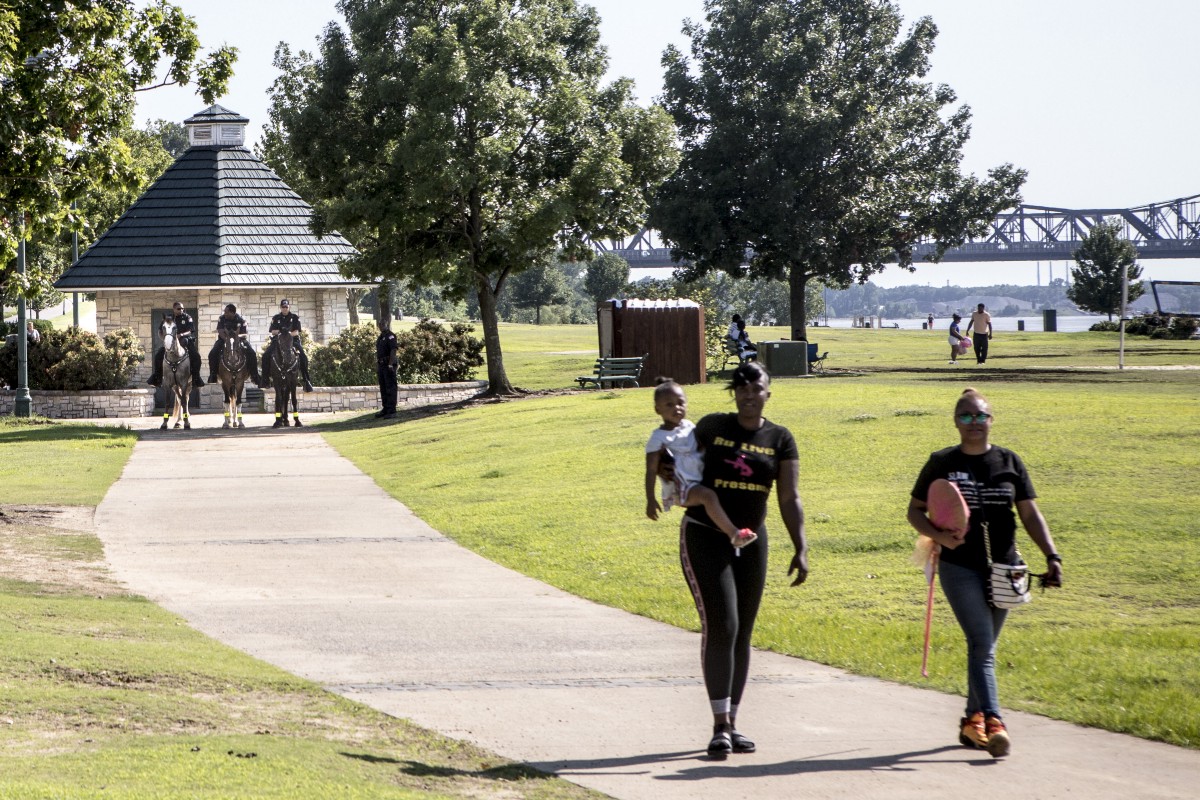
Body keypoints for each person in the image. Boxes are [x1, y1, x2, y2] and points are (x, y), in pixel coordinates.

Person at [906, 388, 1063, 758]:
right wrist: (939, 536)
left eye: (980, 416)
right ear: (955, 421)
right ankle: (994, 721)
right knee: (981, 643)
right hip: (960, 566)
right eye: (965, 416)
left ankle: (970, 720)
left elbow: (1029, 514)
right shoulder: (941, 461)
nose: (973, 423)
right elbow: (914, 511)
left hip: (1006, 567)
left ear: (991, 420)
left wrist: (1052, 555)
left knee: (984, 648)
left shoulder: (1009, 461)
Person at [674, 362, 808, 758]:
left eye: (758, 388)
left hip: (752, 541)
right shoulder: (713, 427)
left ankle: (733, 719)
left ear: (769, 392)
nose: (750, 395)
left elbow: (789, 497)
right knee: (723, 626)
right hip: (705, 535)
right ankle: (719, 725)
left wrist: (800, 546)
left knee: (744, 632)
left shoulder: (781, 439)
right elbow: (678, 464)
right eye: (742, 389)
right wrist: (672, 486)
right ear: (734, 393)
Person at [645, 379, 757, 548]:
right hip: (683, 486)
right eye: (669, 405)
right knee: (708, 496)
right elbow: (651, 470)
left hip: (700, 476)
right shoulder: (658, 438)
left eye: (681, 403)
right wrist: (651, 499)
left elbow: (703, 446)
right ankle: (734, 534)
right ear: (657, 409)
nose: (677, 408)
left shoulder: (689, 426)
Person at [262, 299, 314, 392]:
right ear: (280, 307)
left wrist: (287, 334)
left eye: (286, 307)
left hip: (292, 341)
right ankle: (265, 380)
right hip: (278, 341)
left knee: (303, 356)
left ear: (289, 307)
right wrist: (281, 333)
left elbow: (296, 332)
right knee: (266, 355)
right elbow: (272, 331)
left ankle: (306, 381)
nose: (285, 309)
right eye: (283, 307)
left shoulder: (294, 318)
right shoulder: (276, 318)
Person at [147, 302, 203, 387]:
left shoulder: (187, 317)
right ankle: (157, 378)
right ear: (174, 309)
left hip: (185, 341)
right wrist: (164, 339)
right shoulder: (168, 318)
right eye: (179, 309)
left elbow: (191, 330)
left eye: (182, 308)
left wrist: (181, 335)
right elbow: (160, 331)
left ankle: (196, 378)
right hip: (171, 342)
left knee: (196, 356)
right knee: (158, 355)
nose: (181, 310)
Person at [207, 303, 262, 385]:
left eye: (226, 312)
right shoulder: (221, 319)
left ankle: (254, 375)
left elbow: (245, 334)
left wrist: (236, 337)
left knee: (252, 353)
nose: (224, 313)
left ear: (232, 313)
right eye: (224, 312)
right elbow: (220, 331)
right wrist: (227, 340)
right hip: (224, 340)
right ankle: (213, 374)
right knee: (213, 353)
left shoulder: (241, 320)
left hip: (239, 340)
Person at [375, 319, 399, 418]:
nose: (381, 326)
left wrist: (390, 364)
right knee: (383, 388)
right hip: (381, 365)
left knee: (390, 387)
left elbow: (393, 350)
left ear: (387, 324)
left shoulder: (390, 336)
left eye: (383, 324)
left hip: (388, 364)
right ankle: (386, 409)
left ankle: (392, 410)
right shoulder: (381, 337)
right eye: (380, 324)